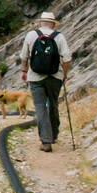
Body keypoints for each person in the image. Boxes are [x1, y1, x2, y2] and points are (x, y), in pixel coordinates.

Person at [21, 11, 71, 152]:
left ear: (40, 22)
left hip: (36, 77)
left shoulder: (31, 35)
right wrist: (64, 74)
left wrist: (24, 72)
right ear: (53, 24)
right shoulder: (59, 36)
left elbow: (24, 57)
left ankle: (46, 141)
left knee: (40, 107)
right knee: (53, 104)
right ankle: (54, 135)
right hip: (55, 77)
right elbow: (67, 59)